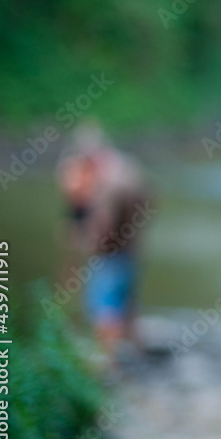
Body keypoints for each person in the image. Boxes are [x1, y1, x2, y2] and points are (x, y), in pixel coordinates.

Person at [57, 120, 151, 369]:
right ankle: (135, 355)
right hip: (131, 250)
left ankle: (109, 366)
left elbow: (103, 230)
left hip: (109, 256)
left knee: (104, 311)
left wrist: (84, 237)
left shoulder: (106, 185)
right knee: (127, 304)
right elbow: (151, 202)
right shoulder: (129, 169)